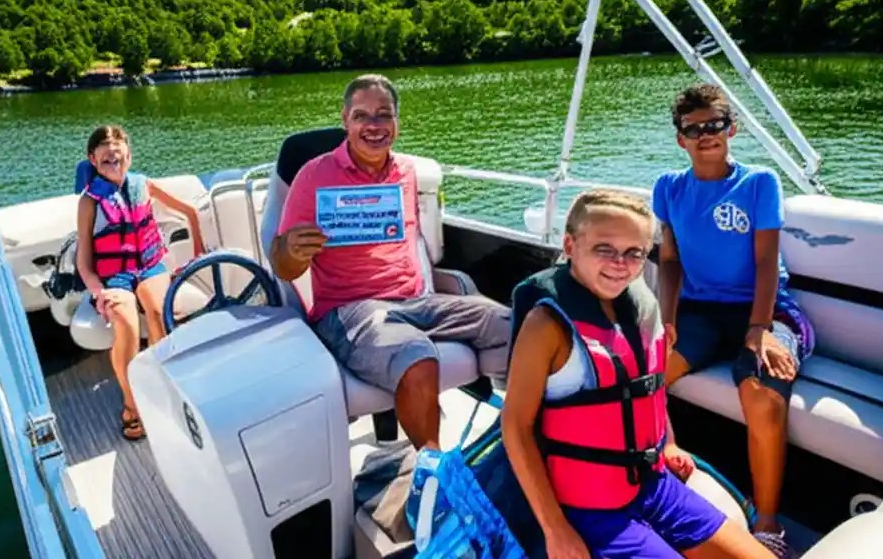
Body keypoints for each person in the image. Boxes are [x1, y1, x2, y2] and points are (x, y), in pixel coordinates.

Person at [502, 189, 773, 559]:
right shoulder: (546, 325)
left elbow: (650, 387)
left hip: (656, 486)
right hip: (591, 509)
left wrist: (670, 442)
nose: (620, 263)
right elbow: (515, 426)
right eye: (604, 249)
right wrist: (555, 529)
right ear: (569, 244)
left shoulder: (642, 307)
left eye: (634, 253)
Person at [269, 74, 510, 450]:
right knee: (416, 356)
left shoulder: (406, 172)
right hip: (351, 310)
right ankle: (431, 476)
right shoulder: (312, 176)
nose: (374, 126)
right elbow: (283, 268)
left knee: (515, 325)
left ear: (396, 120)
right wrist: (292, 251)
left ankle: (514, 440)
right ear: (345, 120)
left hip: (418, 301)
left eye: (384, 115)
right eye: (362, 116)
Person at [652, 83, 814, 556]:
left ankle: (766, 521)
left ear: (732, 128)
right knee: (649, 373)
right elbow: (668, 261)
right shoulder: (668, 188)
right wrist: (666, 319)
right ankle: (670, 459)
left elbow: (767, 262)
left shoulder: (759, 183)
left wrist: (759, 330)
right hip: (701, 311)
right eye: (694, 128)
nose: (706, 135)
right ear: (680, 138)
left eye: (715, 125)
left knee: (761, 395)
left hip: (766, 309)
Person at [76, 124, 205, 440]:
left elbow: (190, 211)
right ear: (93, 160)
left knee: (159, 311)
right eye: (104, 151)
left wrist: (198, 251)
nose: (112, 153)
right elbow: (84, 261)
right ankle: (132, 404)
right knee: (128, 323)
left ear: (128, 156)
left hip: (150, 265)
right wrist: (98, 291)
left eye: (117, 147)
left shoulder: (143, 185)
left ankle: (162, 385)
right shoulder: (89, 202)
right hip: (113, 277)